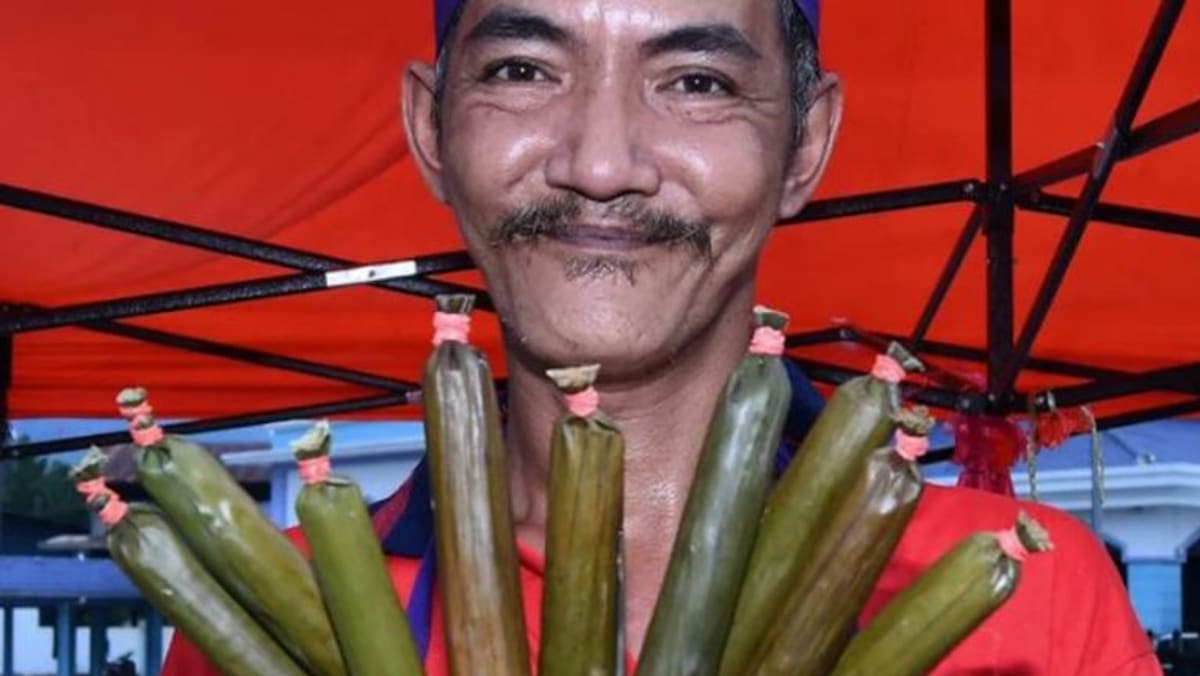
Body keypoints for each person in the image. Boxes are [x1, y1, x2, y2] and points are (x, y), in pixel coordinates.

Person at [164, 1, 1159, 673]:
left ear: (805, 143)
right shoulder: (270, 611)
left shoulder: (1029, 596)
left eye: (696, 83)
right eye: (523, 68)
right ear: (430, 127)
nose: (600, 163)